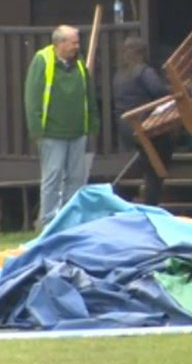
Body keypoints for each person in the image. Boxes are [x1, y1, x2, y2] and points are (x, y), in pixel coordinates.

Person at [24, 25, 100, 229]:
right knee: (53, 177)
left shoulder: (80, 63)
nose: (77, 46)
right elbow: (32, 97)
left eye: (77, 42)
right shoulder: (42, 60)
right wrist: (36, 129)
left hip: (78, 131)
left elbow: (89, 94)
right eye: (74, 42)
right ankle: (49, 223)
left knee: (76, 178)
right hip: (51, 132)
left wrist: (93, 123)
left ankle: (69, 221)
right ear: (61, 43)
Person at [112, 36, 173, 206]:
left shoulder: (119, 75)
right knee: (159, 159)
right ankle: (151, 202)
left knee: (149, 159)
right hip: (142, 124)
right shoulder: (143, 71)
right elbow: (159, 91)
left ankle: (133, 194)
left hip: (126, 127)